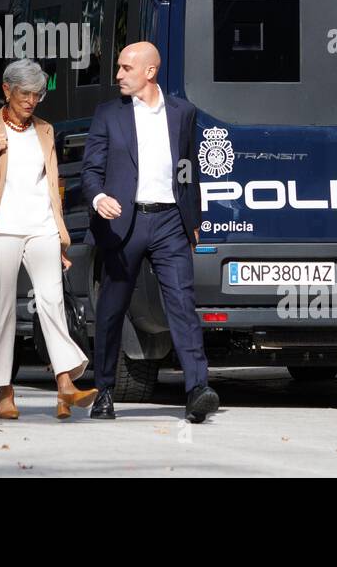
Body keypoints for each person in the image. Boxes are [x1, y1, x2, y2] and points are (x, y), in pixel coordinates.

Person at [81, 41, 220, 423]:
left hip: (170, 224)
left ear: (149, 71)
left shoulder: (182, 113)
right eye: (119, 67)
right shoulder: (109, 114)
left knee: (182, 303)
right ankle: (104, 390)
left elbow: (191, 170)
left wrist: (194, 220)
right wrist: (98, 199)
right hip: (123, 222)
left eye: (126, 68)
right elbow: (90, 170)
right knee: (112, 309)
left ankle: (197, 390)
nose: (118, 75)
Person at [0, 58, 97, 420]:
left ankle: (65, 385)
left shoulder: (45, 130)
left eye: (37, 95)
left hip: (42, 226)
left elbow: (51, 188)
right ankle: (4, 392)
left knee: (52, 303)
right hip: (0, 228)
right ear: (7, 91)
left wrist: (61, 238)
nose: (31, 101)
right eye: (25, 94)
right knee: (1, 309)